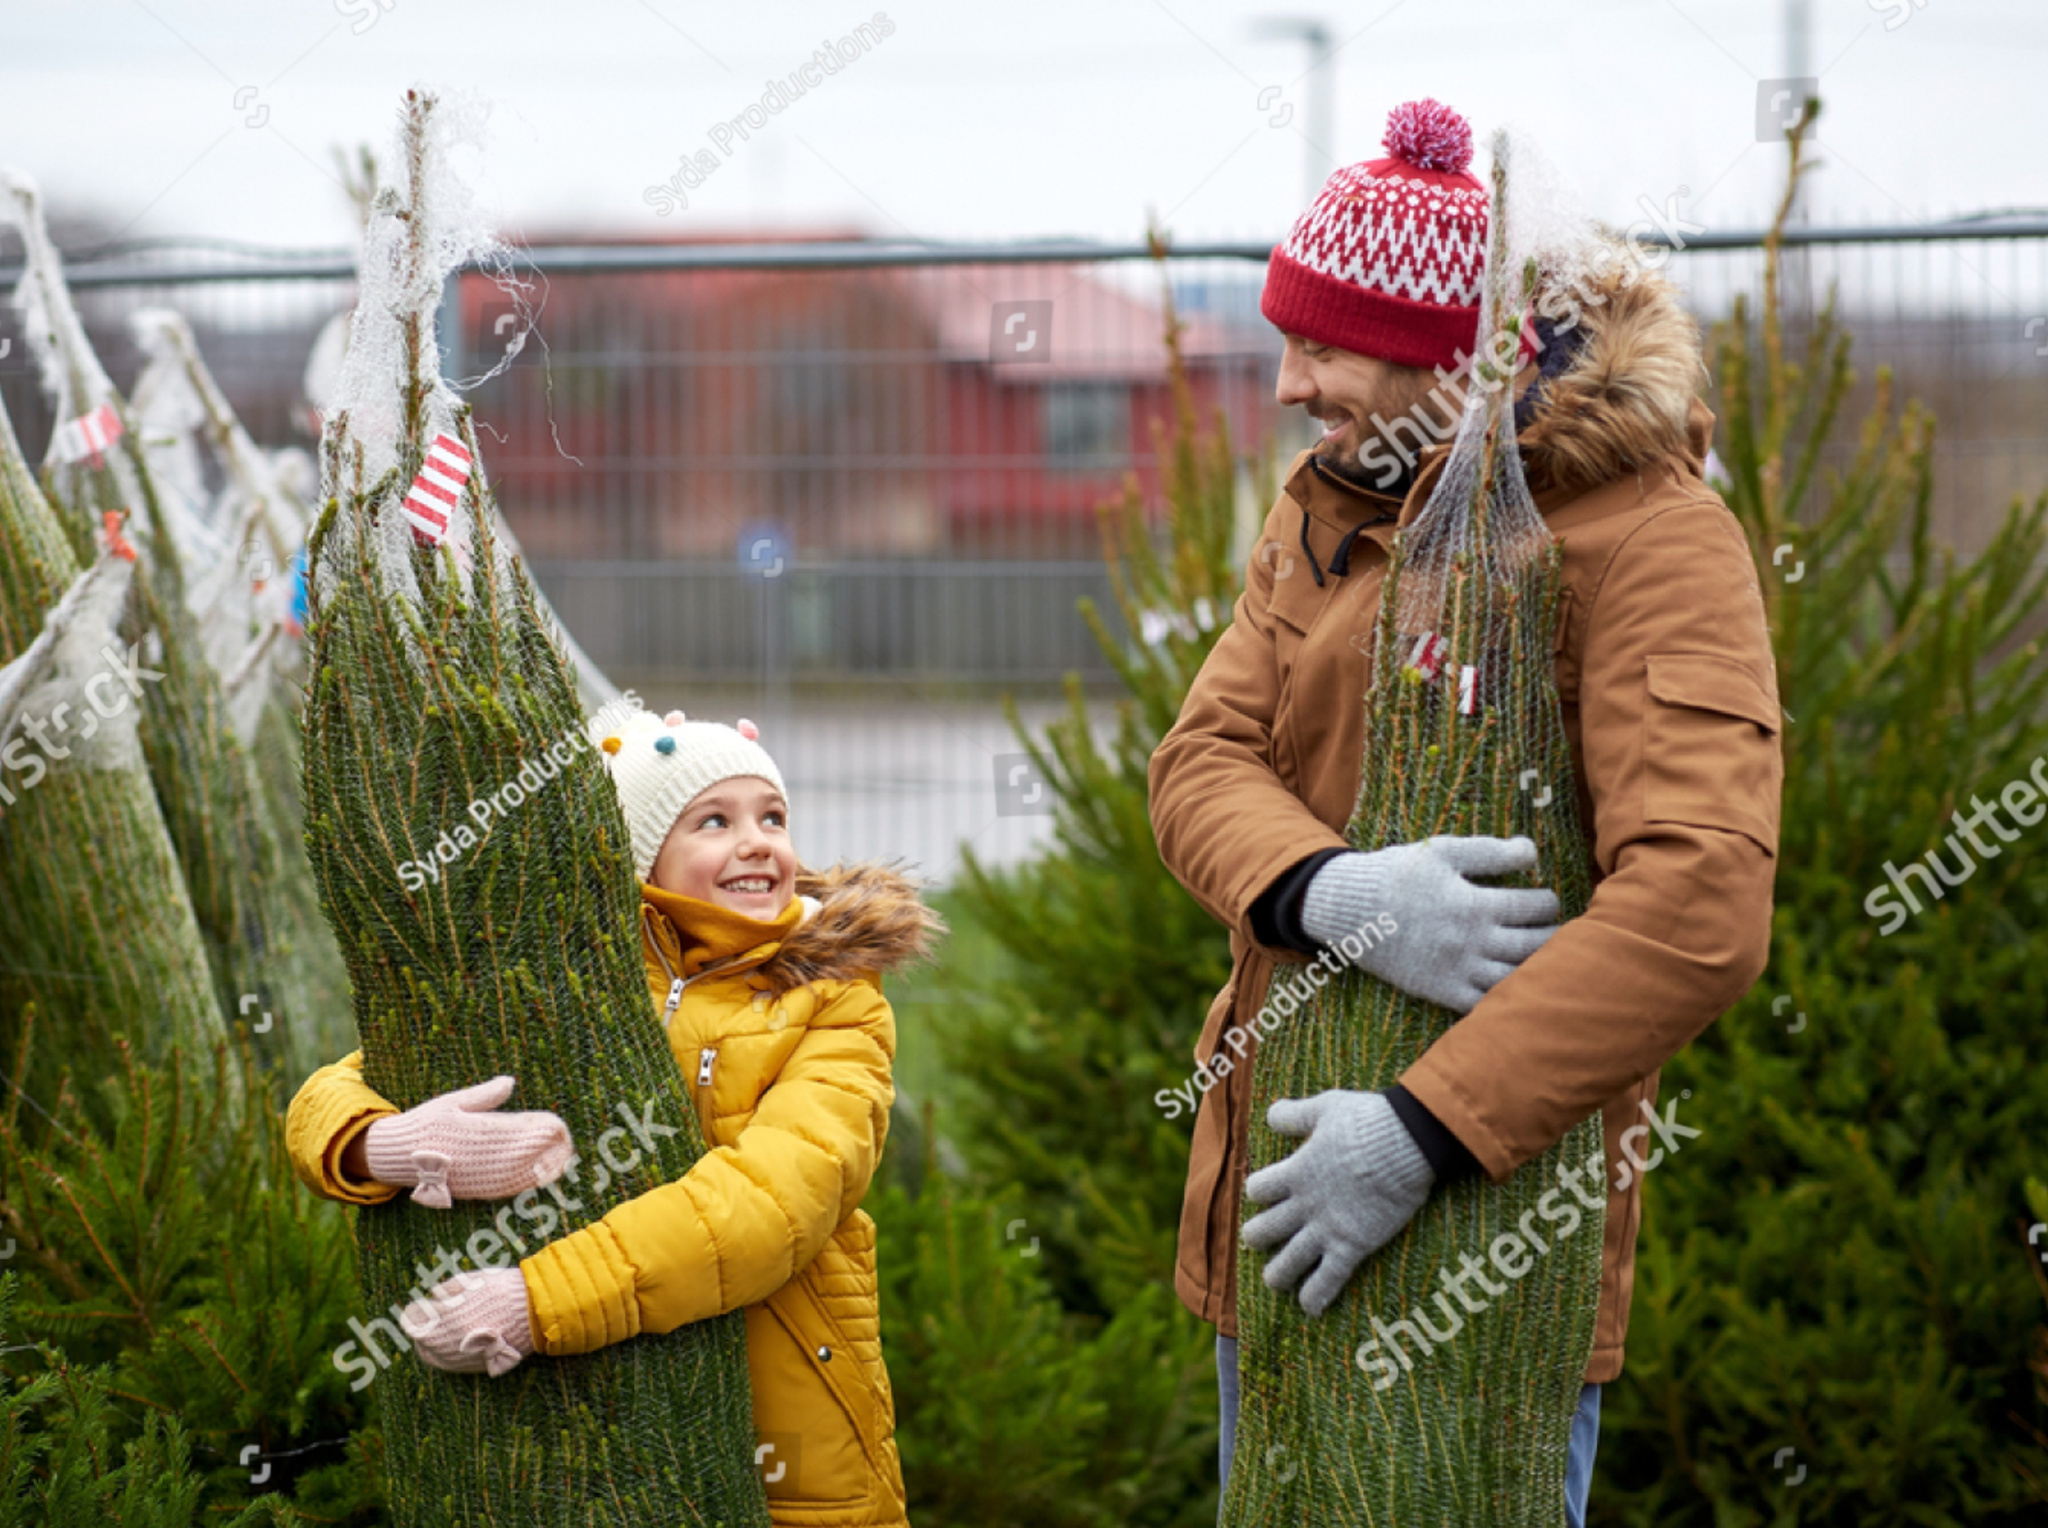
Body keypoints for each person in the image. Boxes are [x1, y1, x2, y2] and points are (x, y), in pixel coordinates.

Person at [1147, 99, 1783, 1526]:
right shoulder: (1333, 508)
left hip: (1485, 1227)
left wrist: (1421, 1134)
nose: (1289, 384)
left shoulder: (1650, 539)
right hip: (1286, 1193)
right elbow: (1198, 764)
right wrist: (1336, 894)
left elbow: (1699, 906)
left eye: (1323, 347)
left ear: (1444, 356)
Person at [286, 706, 941, 1528]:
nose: (759, 841)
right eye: (715, 820)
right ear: (642, 855)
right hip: (586, 1412)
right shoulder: (574, 969)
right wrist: (381, 1141)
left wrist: (539, 1300)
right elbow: (334, 1084)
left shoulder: (836, 1001)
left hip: (779, 1425)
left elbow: (778, 1202)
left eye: (773, 817)